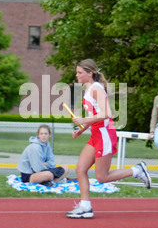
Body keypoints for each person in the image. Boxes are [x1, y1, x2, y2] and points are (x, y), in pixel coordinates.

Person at [65, 59, 151, 219]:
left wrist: (83, 121)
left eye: (80, 73)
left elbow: (107, 114)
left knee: (101, 177)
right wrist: (81, 129)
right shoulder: (88, 89)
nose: (77, 75)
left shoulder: (96, 88)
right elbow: (93, 116)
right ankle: (85, 206)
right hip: (96, 134)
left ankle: (137, 170)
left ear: (90, 73)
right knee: (80, 169)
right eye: (77, 72)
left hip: (104, 134)